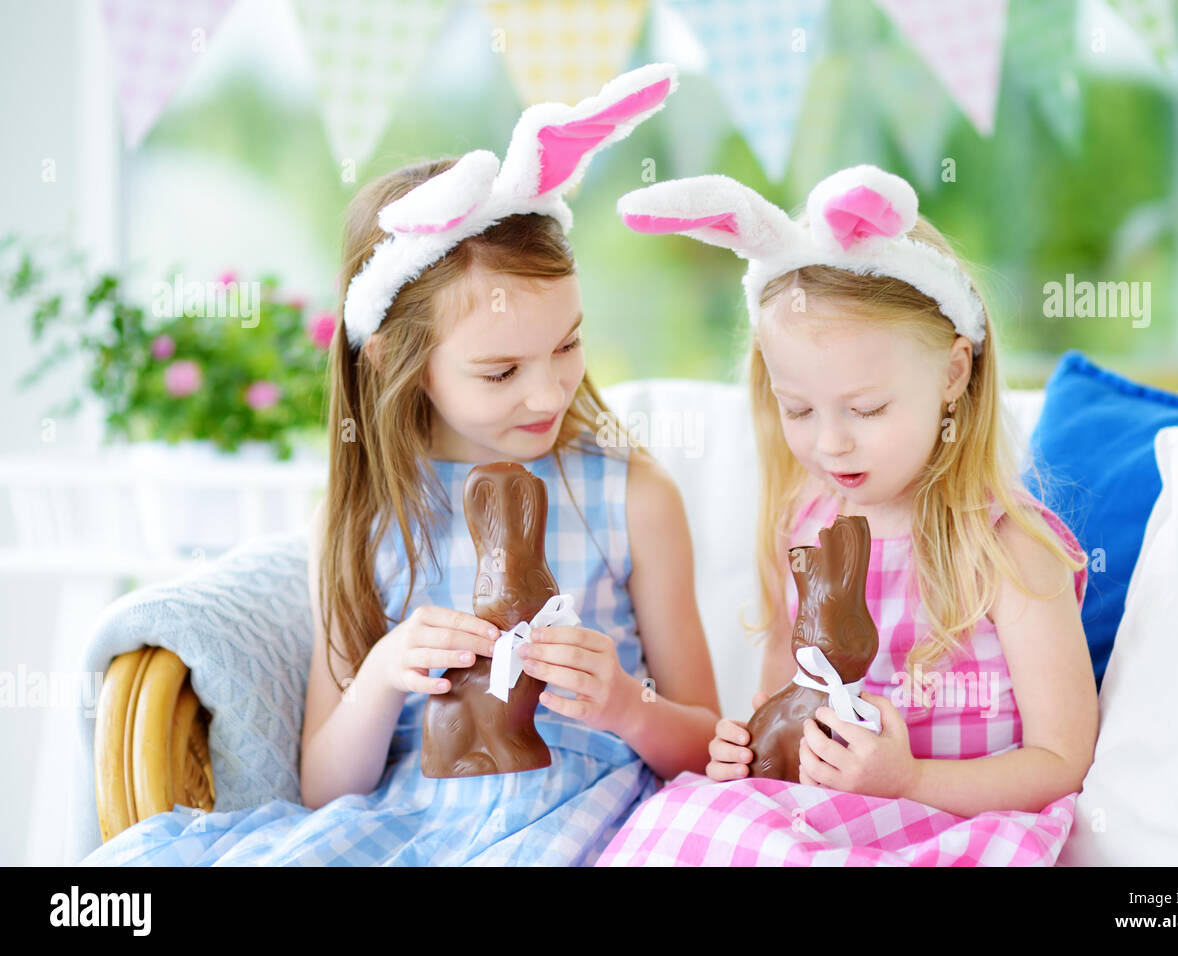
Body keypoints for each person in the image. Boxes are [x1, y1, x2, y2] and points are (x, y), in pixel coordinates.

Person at [82, 63, 722, 866]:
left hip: (595, 822)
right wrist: (384, 674)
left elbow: (715, 751)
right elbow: (325, 788)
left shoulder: (633, 496)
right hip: (416, 829)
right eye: (500, 371)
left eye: (567, 345)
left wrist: (630, 709)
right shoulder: (368, 519)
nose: (549, 389)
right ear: (394, 360)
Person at [598, 165, 1096, 865]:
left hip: (949, 824)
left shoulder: (1007, 548)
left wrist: (909, 779)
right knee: (675, 820)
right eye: (798, 408)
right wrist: (747, 747)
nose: (829, 443)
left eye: (865, 410)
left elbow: (1061, 759)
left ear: (954, 375)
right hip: (816, 819)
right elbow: (782, 701)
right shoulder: (803, 528)